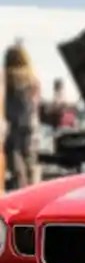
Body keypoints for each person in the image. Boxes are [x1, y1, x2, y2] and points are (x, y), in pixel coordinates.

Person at [5, 43, 41, 189]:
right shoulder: (33, 79)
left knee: (16, 163)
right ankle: (34, 191)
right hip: (31, 125)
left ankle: (20, 191)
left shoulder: (8, 78)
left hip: (13, 125)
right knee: (31, 162)